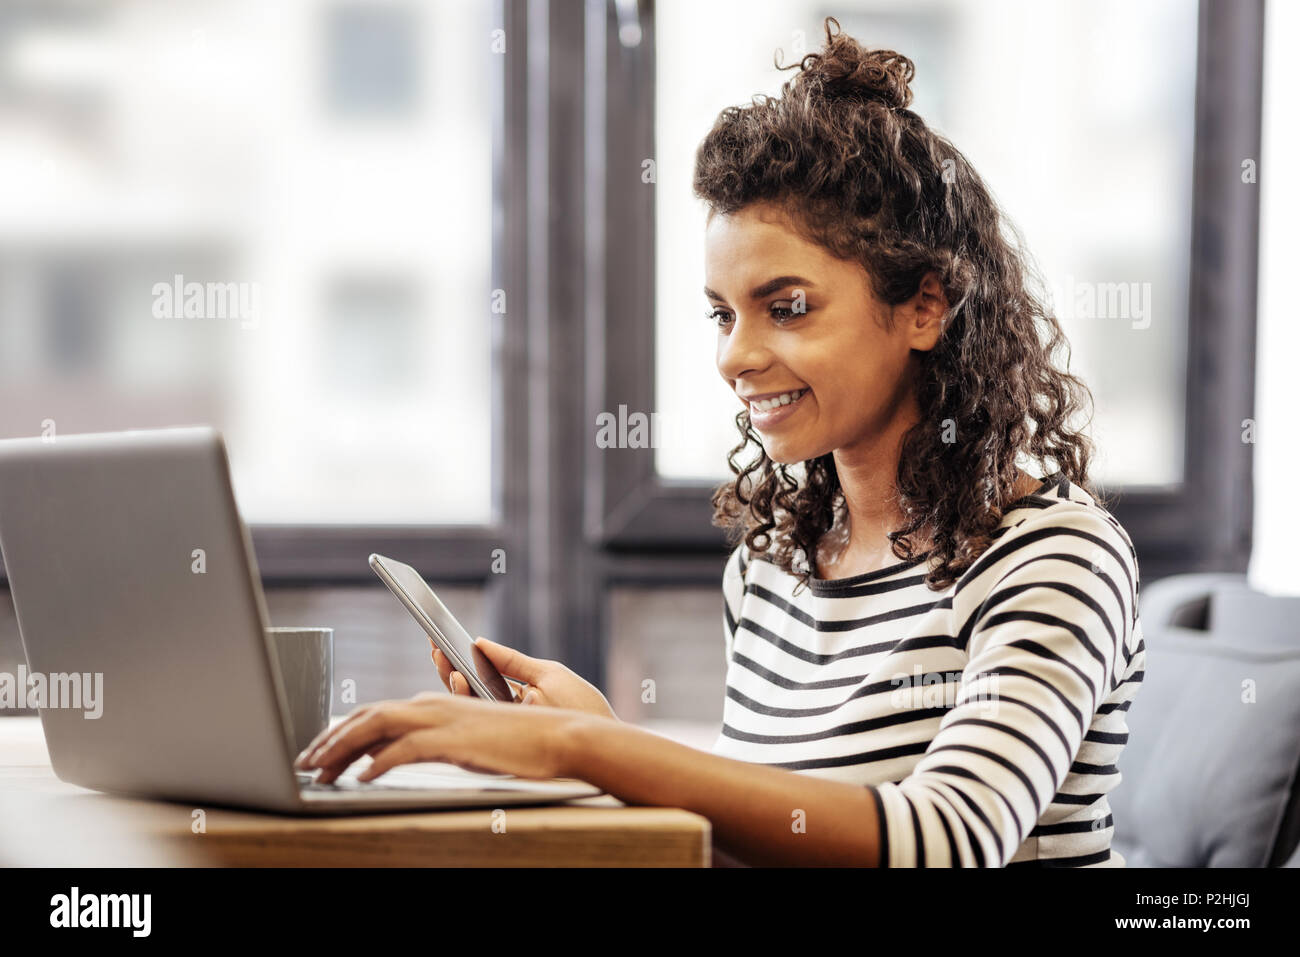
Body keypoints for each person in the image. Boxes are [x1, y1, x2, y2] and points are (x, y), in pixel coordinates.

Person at [295, 17, 1145, 868]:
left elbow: (947, 839)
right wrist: (600, 739)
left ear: (924, 308)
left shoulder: (1053, 557)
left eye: (787, 306)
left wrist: (582, 750)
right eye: (722, 314)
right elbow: (774, 836)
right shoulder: (772, 568)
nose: (735, 356)